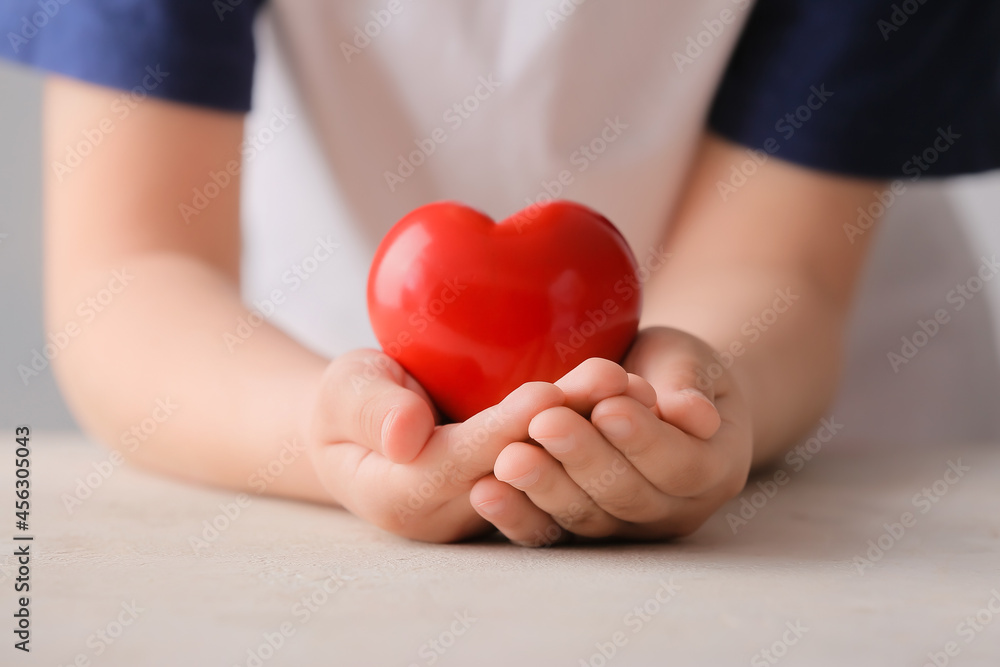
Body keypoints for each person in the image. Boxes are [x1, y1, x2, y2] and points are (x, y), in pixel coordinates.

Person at [3, 0, 998, 546]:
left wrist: (693, 403)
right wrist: (330, 434)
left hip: (817, 465)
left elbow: (781, 269)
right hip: (294, 407)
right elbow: (132, 269)